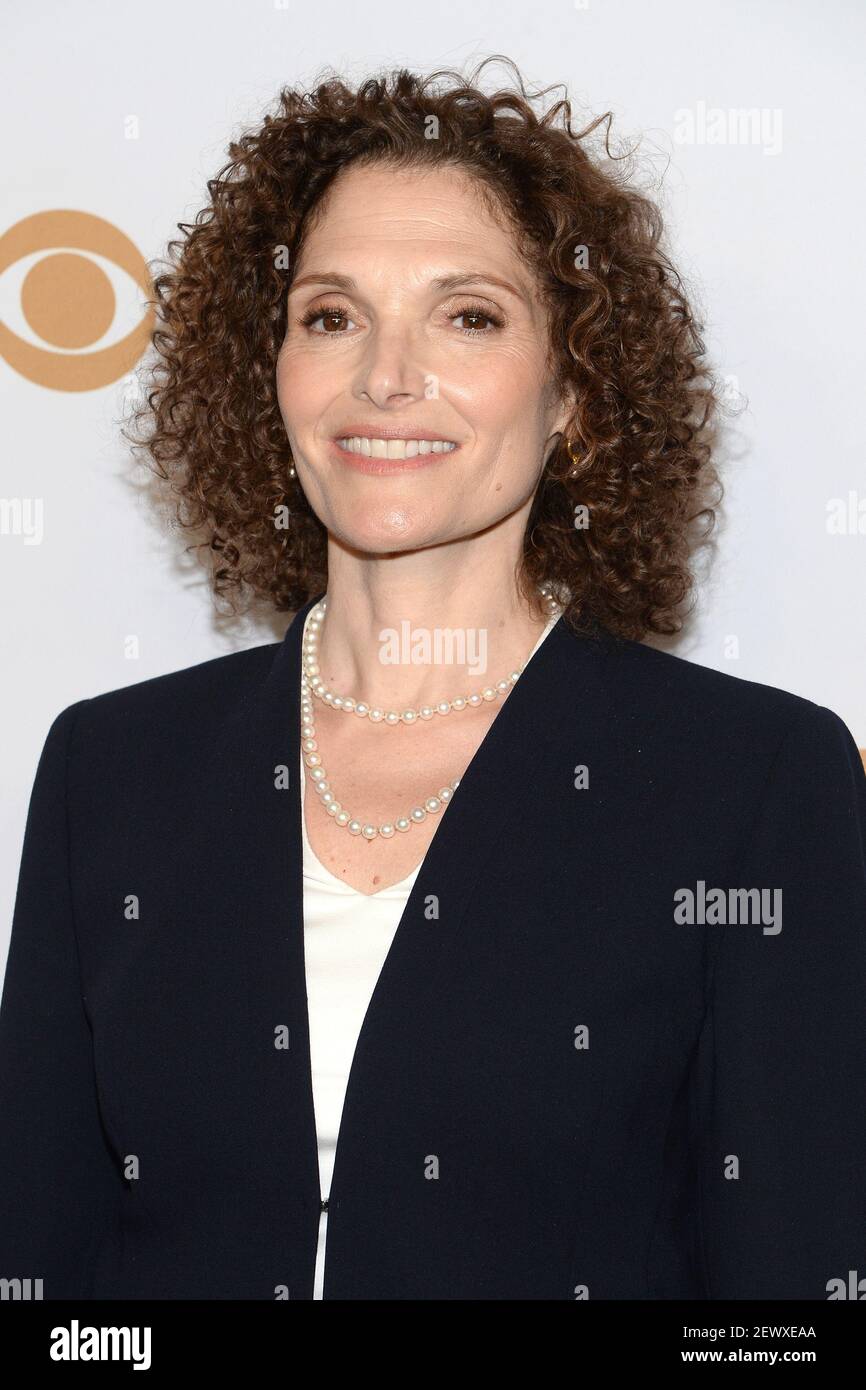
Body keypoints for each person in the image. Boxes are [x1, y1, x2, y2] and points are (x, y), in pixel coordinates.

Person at [1, 57, 864, 1301]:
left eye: (467, 315)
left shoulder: (749, 781)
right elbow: (43, 1270)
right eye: (330, 315)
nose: (383, 378)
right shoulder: (112, 768)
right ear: (272, 371)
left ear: (573, 391)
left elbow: (789, 1297)